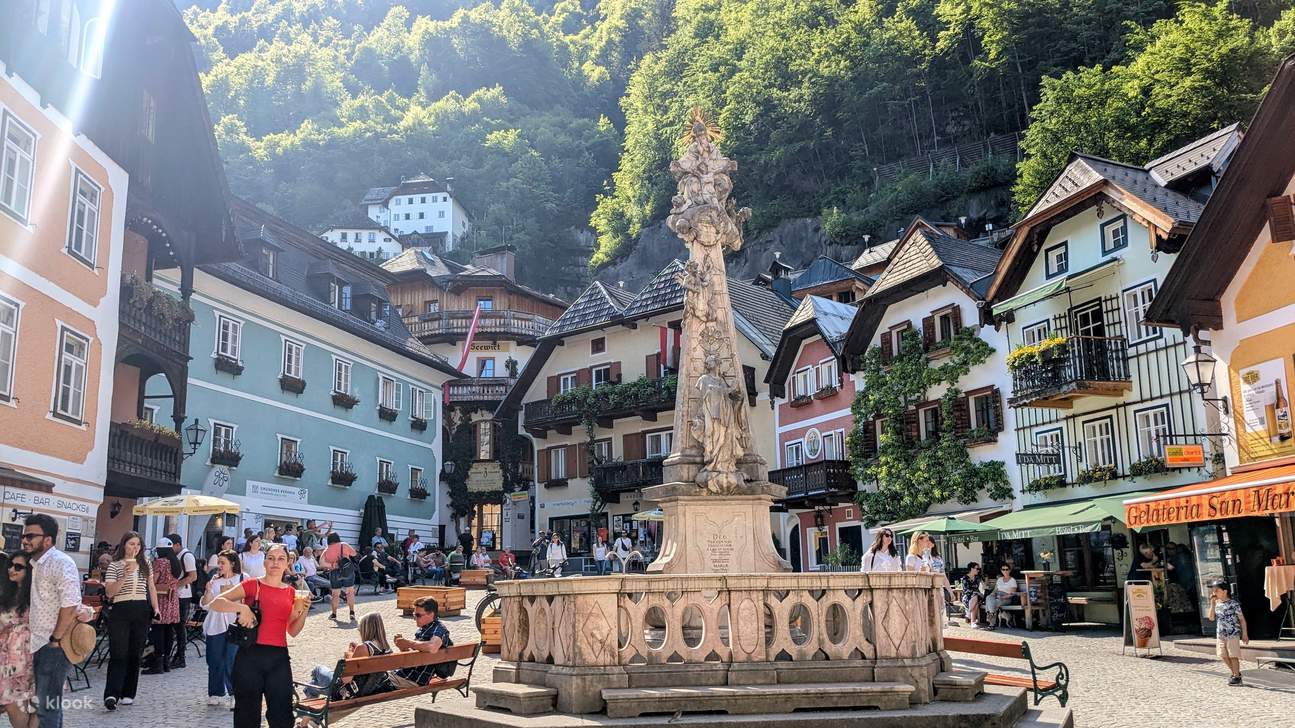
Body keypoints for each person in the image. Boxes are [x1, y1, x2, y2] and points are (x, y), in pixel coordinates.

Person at [206, 543, 310, 728]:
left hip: (278, 658)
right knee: (246, 715)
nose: (275, 563)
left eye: (281, 559)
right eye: (271, 558)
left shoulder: (292, 593)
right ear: (264, 561)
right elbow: (215, 603)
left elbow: (292, 631)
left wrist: (304, 613)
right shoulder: (252, 585)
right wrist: (241, 607)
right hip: (249, 655)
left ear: (287, 564)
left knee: (282, 716)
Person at [23, 514, 81, 728]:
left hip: (54, 644)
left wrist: (55, 639)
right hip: (37, 641)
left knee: (47, 707)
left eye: (31, 536)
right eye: (24, 535)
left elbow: (70, 603)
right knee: (48, 705)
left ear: (47, 539)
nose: (25, 540)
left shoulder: (61, 562)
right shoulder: (34, 564)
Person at [102, 532, 159, 710]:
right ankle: (112, 693)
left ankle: (128, 692)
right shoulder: (115, 566)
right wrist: (125, 575)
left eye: (138, 545)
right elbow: (110, 593)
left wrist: (156, 608)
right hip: (121, 608)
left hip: (140, 608)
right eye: (131, 544)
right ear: (124, 545)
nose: (135, 548)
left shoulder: (145, 564)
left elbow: (151, 587)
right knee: (118, 652)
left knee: (135, 653)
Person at [304, 612, 395, 700]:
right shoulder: (387, 649)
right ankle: (310, 691)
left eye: (360, 630)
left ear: (365, 629)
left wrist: (348, 655)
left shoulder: (363, 648)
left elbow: (346, 679)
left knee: (318, 669)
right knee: (314, 683)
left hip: (345, 691)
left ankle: (309, 705)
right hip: (372, 689)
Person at [201, 549, 242, 708]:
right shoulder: (215, 580)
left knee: (231, 660)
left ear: (232, 563)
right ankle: (215, 692)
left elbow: (246, 602)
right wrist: (209, 590)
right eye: (218, 562)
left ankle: (234, 693)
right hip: (215, 623)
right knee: (214, 660)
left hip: (234, 623)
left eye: (222, 562)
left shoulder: (241, 579)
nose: (219, 566)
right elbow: (205, 604)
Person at [0, 551, 35, 727]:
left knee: (35, 705)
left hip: (32, 657)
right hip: (8, 660)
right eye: (10, 565)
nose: (12, 570)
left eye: (18, 567)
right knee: (12, 704)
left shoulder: (38, 594)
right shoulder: (6, 593)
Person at [390, 597, 454, 688]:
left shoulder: (438, 629)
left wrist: (408, 643)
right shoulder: (423, 630)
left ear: (431, 614)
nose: (415, 618)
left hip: (412, 679)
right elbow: (414, 657)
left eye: (418, 615)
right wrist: (403, 647)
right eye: (414, 615)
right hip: (404, 675)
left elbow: (432, 647)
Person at [143, 537, 182, 674]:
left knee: (158, 630)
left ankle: (157, 663)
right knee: (168, 631)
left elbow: (154, 580)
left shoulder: (160, 562)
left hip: (160, 598)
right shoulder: (175, 562)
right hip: (173, 598)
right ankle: (166, 662)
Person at [1207, 578, 1249, 686]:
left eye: (1216, 590)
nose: (1214, 593)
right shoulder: (1216, 603)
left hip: (1233, 633)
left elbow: (1242, 620)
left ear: (1225, 591)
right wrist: (1212, 604)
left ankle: (1236, 677)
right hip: (1220, 634)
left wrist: (1244, 634)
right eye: (1213, 591)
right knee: (1223, 655)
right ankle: (1236, 674)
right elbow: (1211, 618)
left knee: (1233, 655)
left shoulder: (1233, 604)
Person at [166, 532, 199, 669]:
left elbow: (193, 576)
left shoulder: (187, 556)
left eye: (171, 546)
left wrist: (175, 586)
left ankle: (181, 657)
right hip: (175, 594)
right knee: (173, 625)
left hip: (183, 595)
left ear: (178, 545)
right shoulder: (176, 555)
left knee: (180, 626)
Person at [320, 532, 358, 622]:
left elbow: (321, 563)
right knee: (350, 592)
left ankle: (334, 614)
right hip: (347, 571)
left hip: (334, 572)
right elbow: (354, 554)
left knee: (335, 594)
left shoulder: (326, 550)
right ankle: (352, 612)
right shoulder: (344, 545)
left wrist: (333, 565)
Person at [984, 563, 1019, 629]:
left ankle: (991, 622)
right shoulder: (999, 579)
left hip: (1006, 598)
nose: (1005, 571)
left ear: (1009, 570)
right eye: (1003, 569)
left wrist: (1002, 597)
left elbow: (1011, 594)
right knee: (988, 597)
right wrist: (992, 595)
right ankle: (991, 613)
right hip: (997, 595)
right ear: (1001, 570)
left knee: (993, 602)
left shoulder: (1012, 580)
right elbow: (995, 590)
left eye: (1007, 569)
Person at [958, 562, 984, 627]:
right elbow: (966, 590)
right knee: (975, 600)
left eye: (979, 569)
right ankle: (973, 621)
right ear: (972, 569)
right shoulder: (965, 578)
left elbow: (984, 586)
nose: (978, 570)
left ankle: (970, 616)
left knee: (975, 597)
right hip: (967, 596)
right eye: (977, 568)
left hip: (978, 596)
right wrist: (975, 592)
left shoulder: (978, 578)